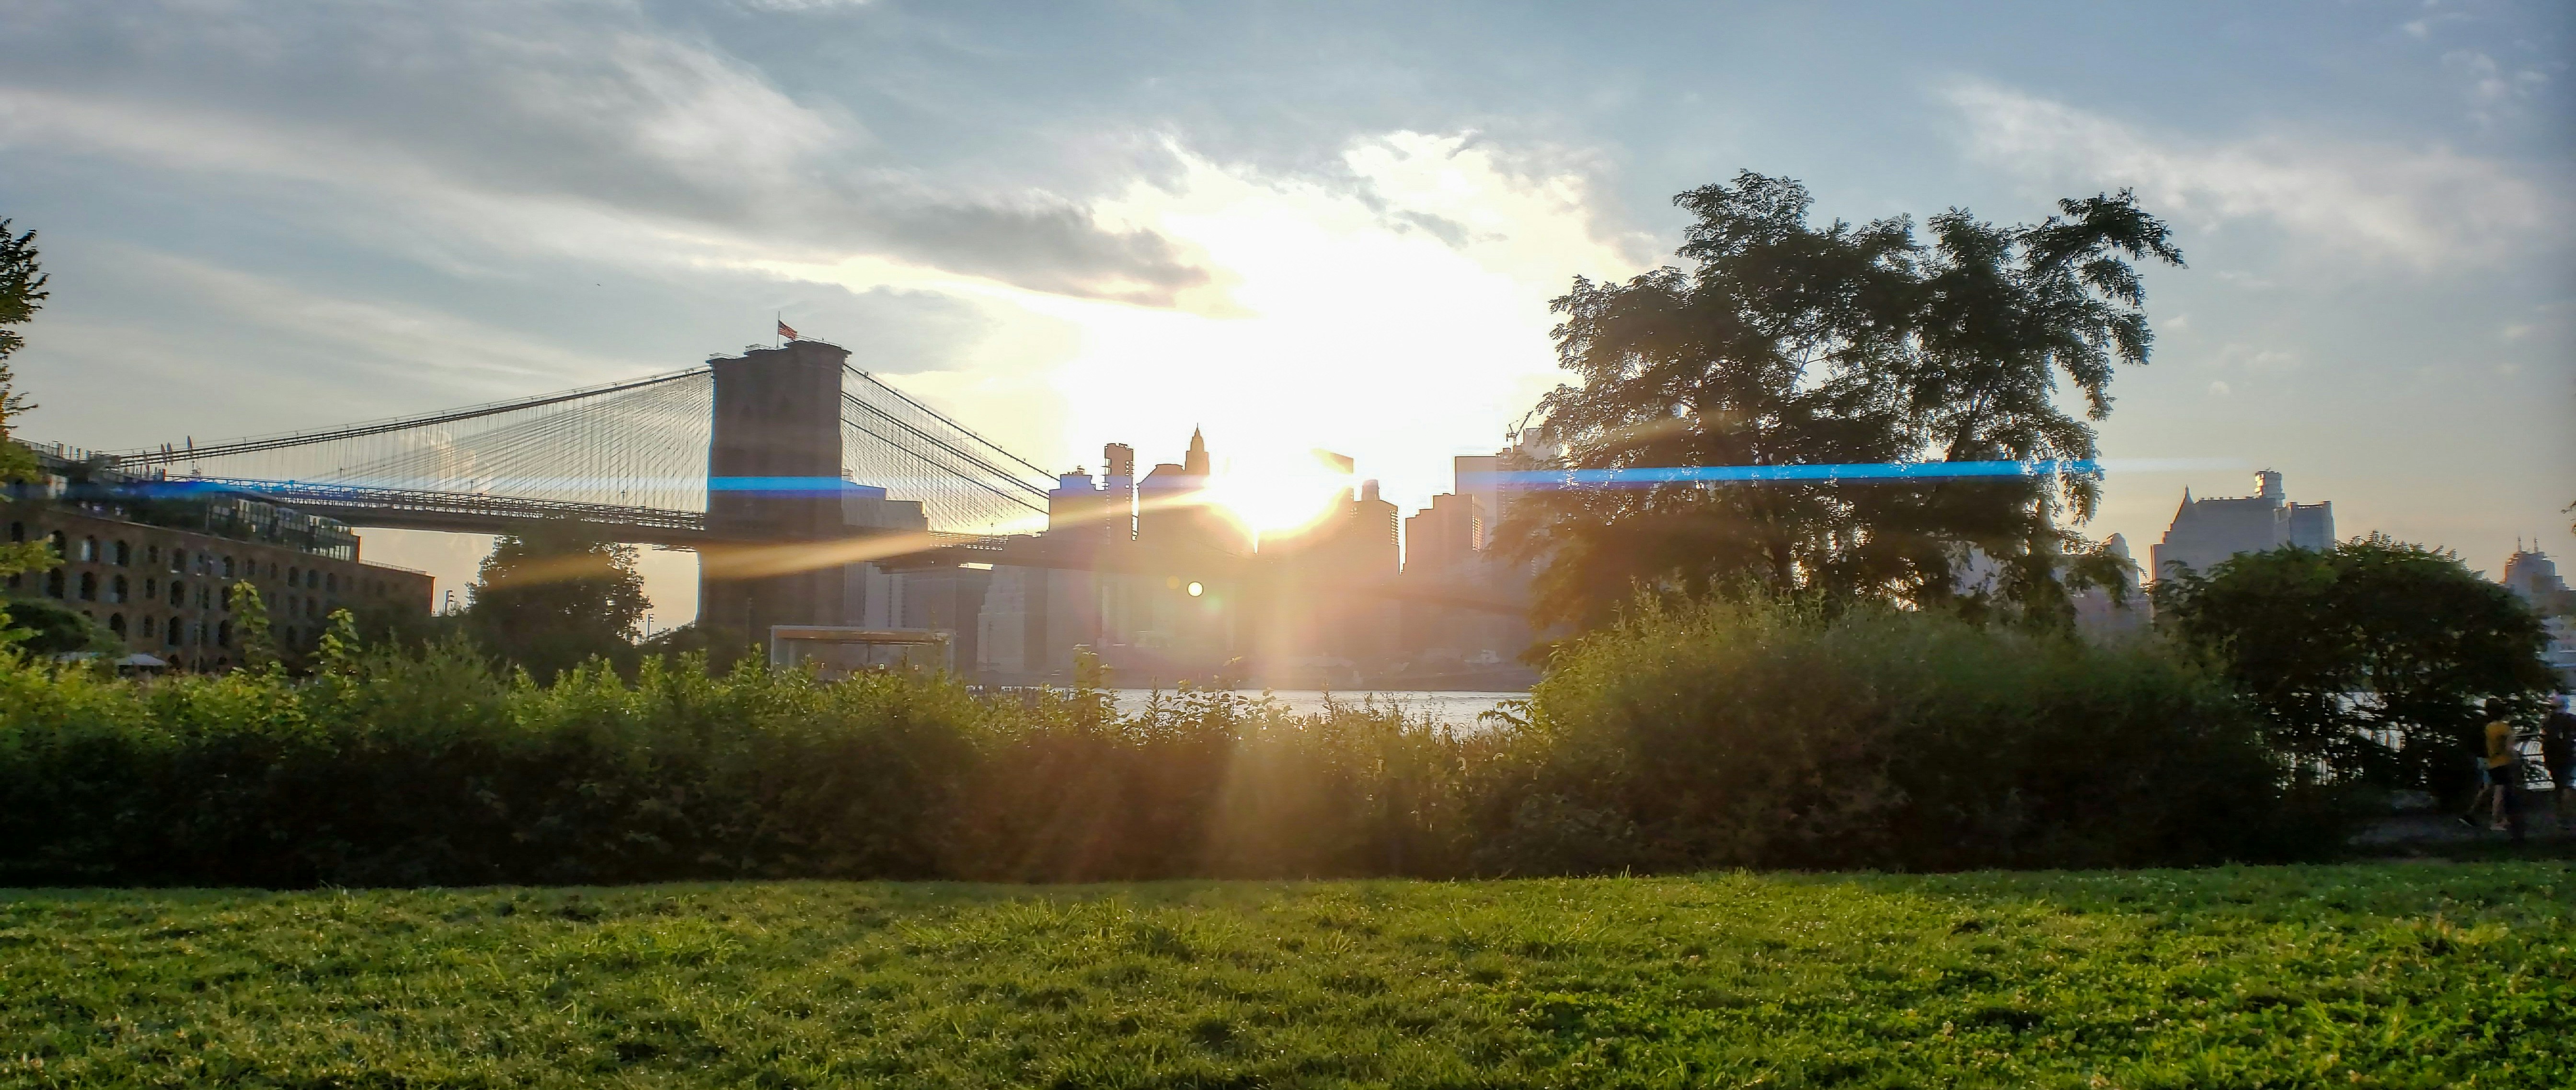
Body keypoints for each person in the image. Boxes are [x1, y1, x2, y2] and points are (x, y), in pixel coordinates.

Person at [2481, 698, 2526, 843]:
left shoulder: (2489, 728)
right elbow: (2509, 748)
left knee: (2497, 791)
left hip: (2492, 762)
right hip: (2504, 763)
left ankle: (2500, 820)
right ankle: (2497, 821)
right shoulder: (2505, 729)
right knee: (2501, 793)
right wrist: (2517, 758)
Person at [2543, 695, 2575, 831]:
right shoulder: (2571, 720)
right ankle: (2567, 817)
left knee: (2559, 786)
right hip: (2567, 756)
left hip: (2551, 758)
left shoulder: (2548, 721)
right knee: (2567, 786)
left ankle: (2560, 817)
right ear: (2566, 706)